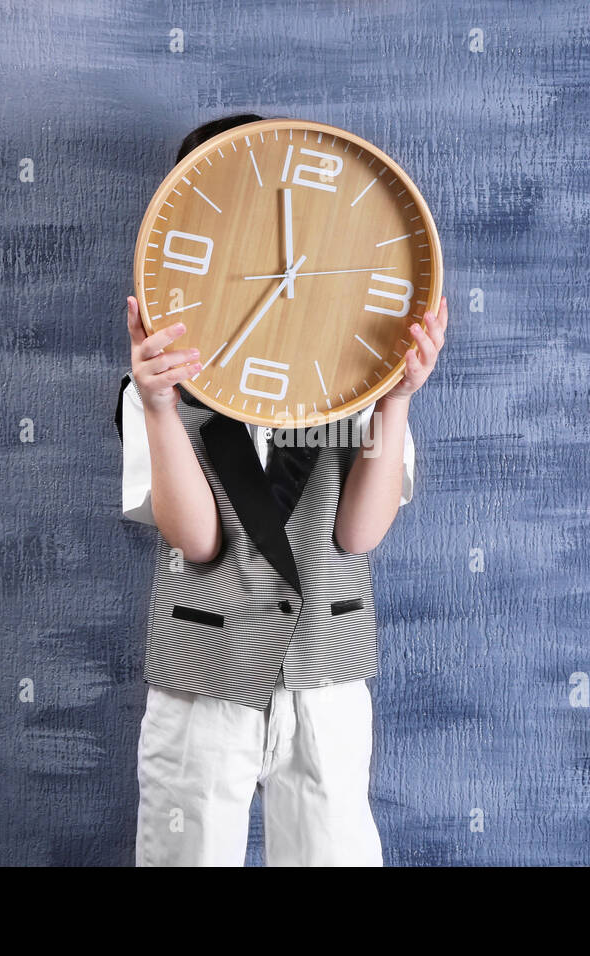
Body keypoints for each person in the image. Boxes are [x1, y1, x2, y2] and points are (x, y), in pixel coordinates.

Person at [115, 113, 447, 866]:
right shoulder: (155, 391)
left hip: (325, 671)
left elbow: (360, 534)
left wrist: (396, 400)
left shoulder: (359, 371)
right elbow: (197, 540)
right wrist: (163, 409)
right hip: (203, 673)